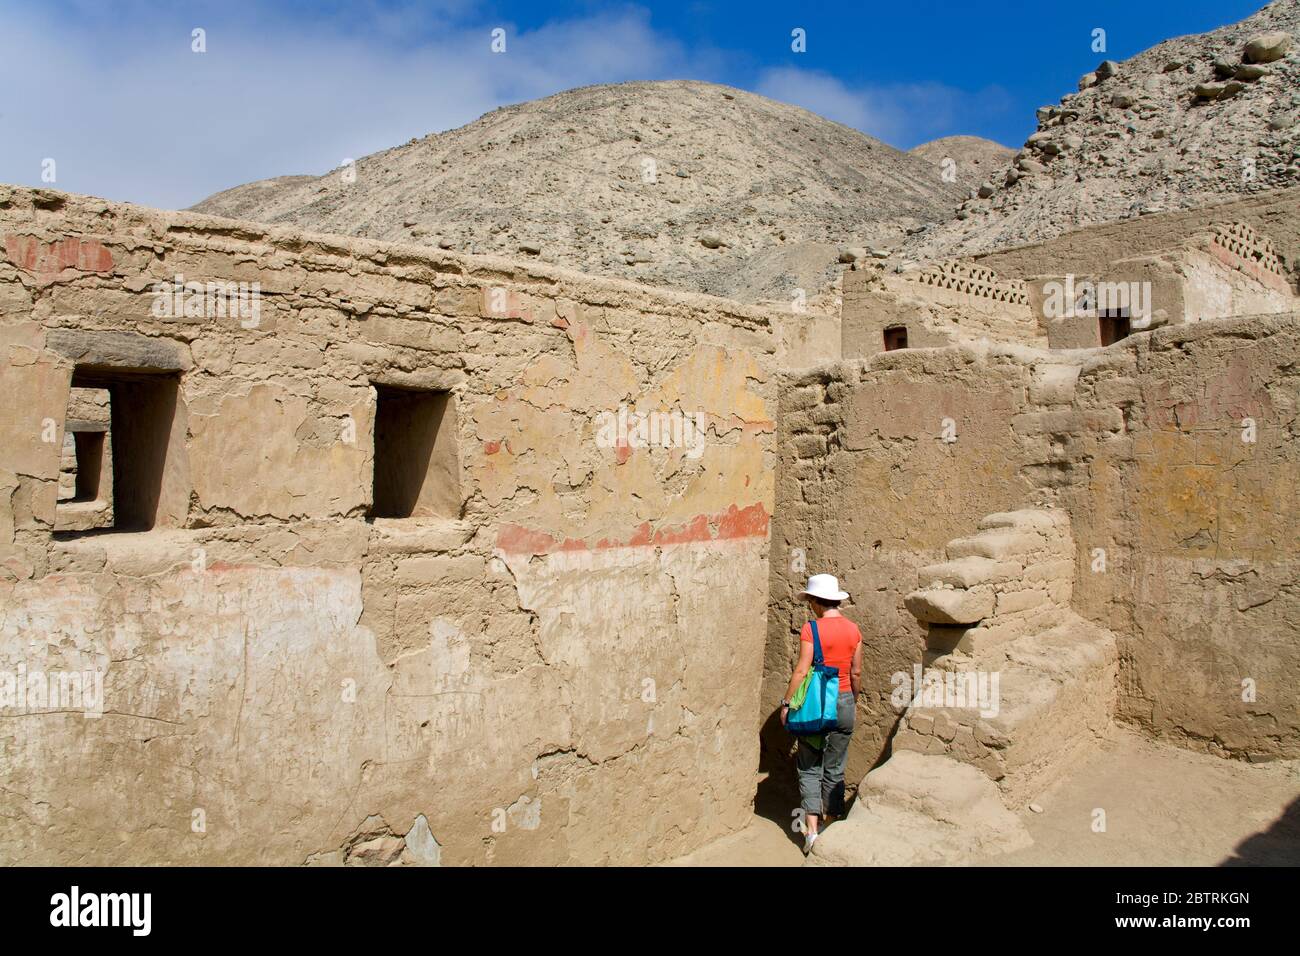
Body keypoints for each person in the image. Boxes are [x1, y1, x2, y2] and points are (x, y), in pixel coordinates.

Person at [780, 573, 862, 854]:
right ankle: (832, 824)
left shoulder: (811, 629)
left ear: (816, 601)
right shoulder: (854, 630)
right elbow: (856, 671)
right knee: (835, 768)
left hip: (817, 708)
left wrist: (787, 703)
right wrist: (853, 699)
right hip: (844, 702)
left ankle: (811, 832)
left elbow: (802, 670)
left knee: (810, 767)